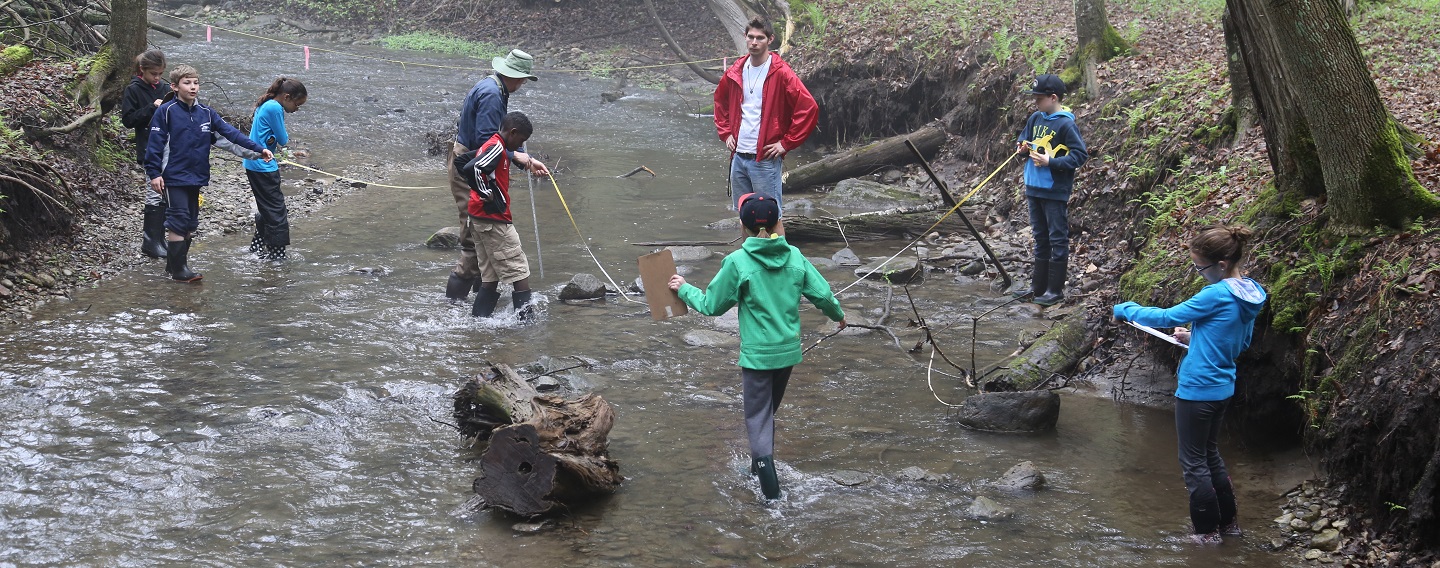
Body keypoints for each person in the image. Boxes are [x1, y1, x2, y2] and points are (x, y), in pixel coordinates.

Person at [667, 193, 846, 499]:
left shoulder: (738, 261)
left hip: (758, 358)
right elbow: (822, 295)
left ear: (742, 226)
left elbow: (712, 305)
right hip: (788, 354)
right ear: (780, 222)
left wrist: (684, 289)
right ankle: (757, 469)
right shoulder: (795, 257)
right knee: (767, 414)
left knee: (757, 420)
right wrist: (838, 316)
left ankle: (772, 498)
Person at [1111, 225, 1267, 544]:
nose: (1198, 273)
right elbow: (1239, 340)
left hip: (1197, 389)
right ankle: (1230, 527)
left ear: (1221, 265)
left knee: (1193, 463)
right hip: (1223, 386)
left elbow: (1166, 316)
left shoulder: (1216, 293)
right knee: (1210, 456)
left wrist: (1124, 309)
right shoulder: (1250, 292)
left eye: (1200, 267)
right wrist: (1195, 336)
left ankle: (1206, 535)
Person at [144, 64, 273, 283]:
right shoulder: (165, 111)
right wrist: (155, 173)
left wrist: (258, 149)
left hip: (196, 175)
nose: (193, 87)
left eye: (195, 82)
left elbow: (231, 133)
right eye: (187, 83)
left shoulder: (206, 112)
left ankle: (172, 265)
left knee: (191, 223)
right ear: (175, 87)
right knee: (179, 220)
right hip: (172, 175)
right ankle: (179, 271)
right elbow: (154, 145)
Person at [446, 49, 550, 302]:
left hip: (472, 161)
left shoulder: (493, 86)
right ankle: (453, 306)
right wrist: (517, 157)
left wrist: (523, 157)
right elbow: (487, 144)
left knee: (481, 237)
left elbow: (500, 136)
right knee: (475, 237)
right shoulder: (493, 95)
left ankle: (480, 303)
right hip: (470, 165)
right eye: (523, 78)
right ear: (512, 75)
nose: (523, 83)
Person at [712, 17, 818, 212]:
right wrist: (726, 133)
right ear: (745, 37)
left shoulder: (781, 72)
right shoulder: (736, 70)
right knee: (744, 215)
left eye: (760, 38)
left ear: (770, 40)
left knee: (770, 216)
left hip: (765, 158)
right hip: (738, 157)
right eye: (750, 37)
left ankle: (777, 244)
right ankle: (747, 245)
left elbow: (808, 107)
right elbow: (720, 101)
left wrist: (786, 143)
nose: (754, 42)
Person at [452, 111, 545, 320]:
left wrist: (478, 189)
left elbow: (462, 162)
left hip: (479, 219)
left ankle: (479, 323)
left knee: (489, 276)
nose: (520, 145)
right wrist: (485, 192)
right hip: (494, 220)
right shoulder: (497, 148)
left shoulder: (490, 145)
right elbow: (472, 166)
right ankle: (527, 324)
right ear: (513, 133)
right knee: (519, 270)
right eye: (521, 140)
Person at [1014, 73, 1088, 306]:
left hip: (1054, 190)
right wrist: (1022, 149)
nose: (1035, 103)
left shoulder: (1066, 124)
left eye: (1038, 99)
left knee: (1057, 237)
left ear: (1053, 97)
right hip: (1033, 187)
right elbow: (1023, 139)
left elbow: (1079, 155)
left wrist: (1051, 162)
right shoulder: (1036, 118)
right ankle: (1037, 287)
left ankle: (1054, 290)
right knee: (1039, 236)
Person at [245, 77, 307, 261]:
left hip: (255, 163)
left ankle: (256, 249)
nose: (297, 109)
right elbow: (283, 139)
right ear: (287, 97)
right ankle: (277, 256)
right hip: (263, 166)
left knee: (267, 209)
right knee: (277, 211)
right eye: (297, 104)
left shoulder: (268, 104)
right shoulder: (274, 107)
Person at [120, 49, 171, 259]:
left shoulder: (166, 88)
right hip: (148, 147)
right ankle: (150, 242)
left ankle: (160, 238)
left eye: (160, 74)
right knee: (154, 191)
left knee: (166, 192)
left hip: (169, 148)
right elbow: (128, 120)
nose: (157, 78)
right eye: (153, 74)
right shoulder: (133, 89)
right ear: (143, 70)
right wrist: (151, 108)